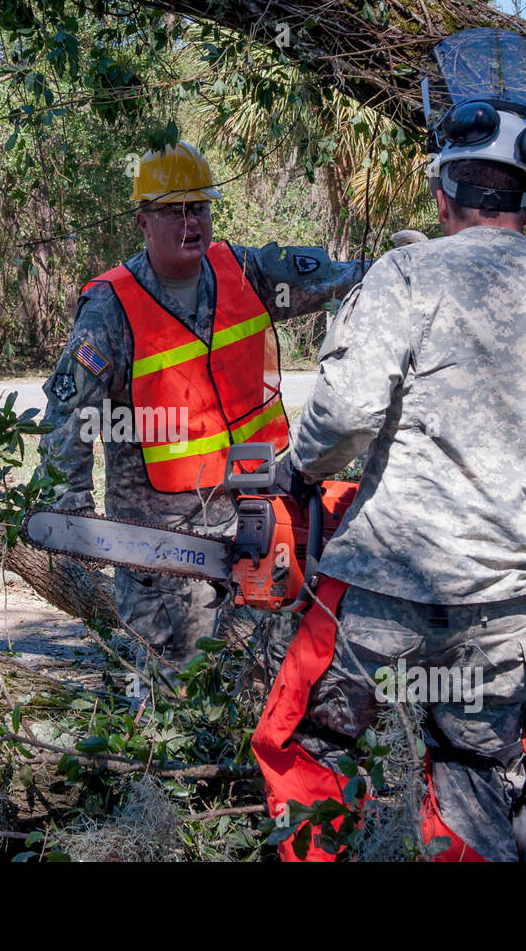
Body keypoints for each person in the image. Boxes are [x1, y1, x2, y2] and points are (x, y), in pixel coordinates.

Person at [252, 28, 526, 862]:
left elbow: (338, 421)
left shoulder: (405, 277)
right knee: (479, 779)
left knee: (306, 755)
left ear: (444, 193)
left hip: (383, 599)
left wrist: (296, 470)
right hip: (515, 608)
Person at [37, 141, 369, 666]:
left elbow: (324, 279)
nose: (191, 223)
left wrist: (389, 273)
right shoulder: (111, 307)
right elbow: (67, 414)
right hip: (166, 544)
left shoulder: (243, 271)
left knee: (264, 668)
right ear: (144, 221)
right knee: (180, 688)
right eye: (174, 210)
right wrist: (69, 507)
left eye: (199, 208)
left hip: (259, 515)